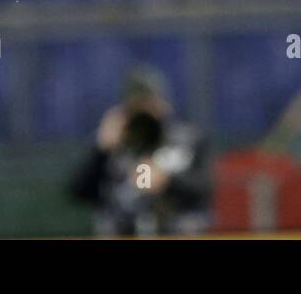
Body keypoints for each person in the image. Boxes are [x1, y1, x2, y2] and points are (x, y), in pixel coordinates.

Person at [69, 66, 211, 236]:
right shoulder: (113, 140)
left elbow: (203, 190)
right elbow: (79, 192)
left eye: (148, 102)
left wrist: (168, 179)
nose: (144, 111)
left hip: (173, 226)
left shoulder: (186, 139)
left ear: (163, 104)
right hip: (122, 227)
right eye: (137, 105)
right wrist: (102, 151)